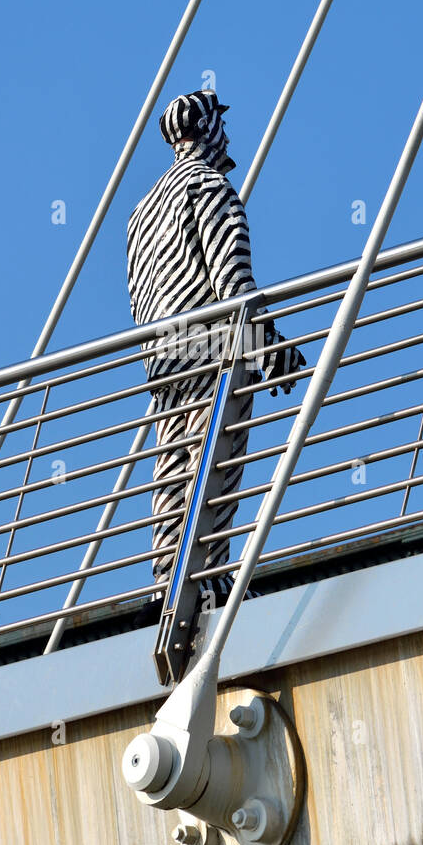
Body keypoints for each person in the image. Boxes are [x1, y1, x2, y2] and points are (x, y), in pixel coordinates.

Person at [126, 89, 305, 620]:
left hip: (162, 357)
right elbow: (235, 286)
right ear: (211, 131)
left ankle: (167, 583)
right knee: (214, 465)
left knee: (173, 467)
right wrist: (273, 348)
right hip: (213, 351)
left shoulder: (141, 211)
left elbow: (138, 294)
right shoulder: (211, 189)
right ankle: (208, 580)